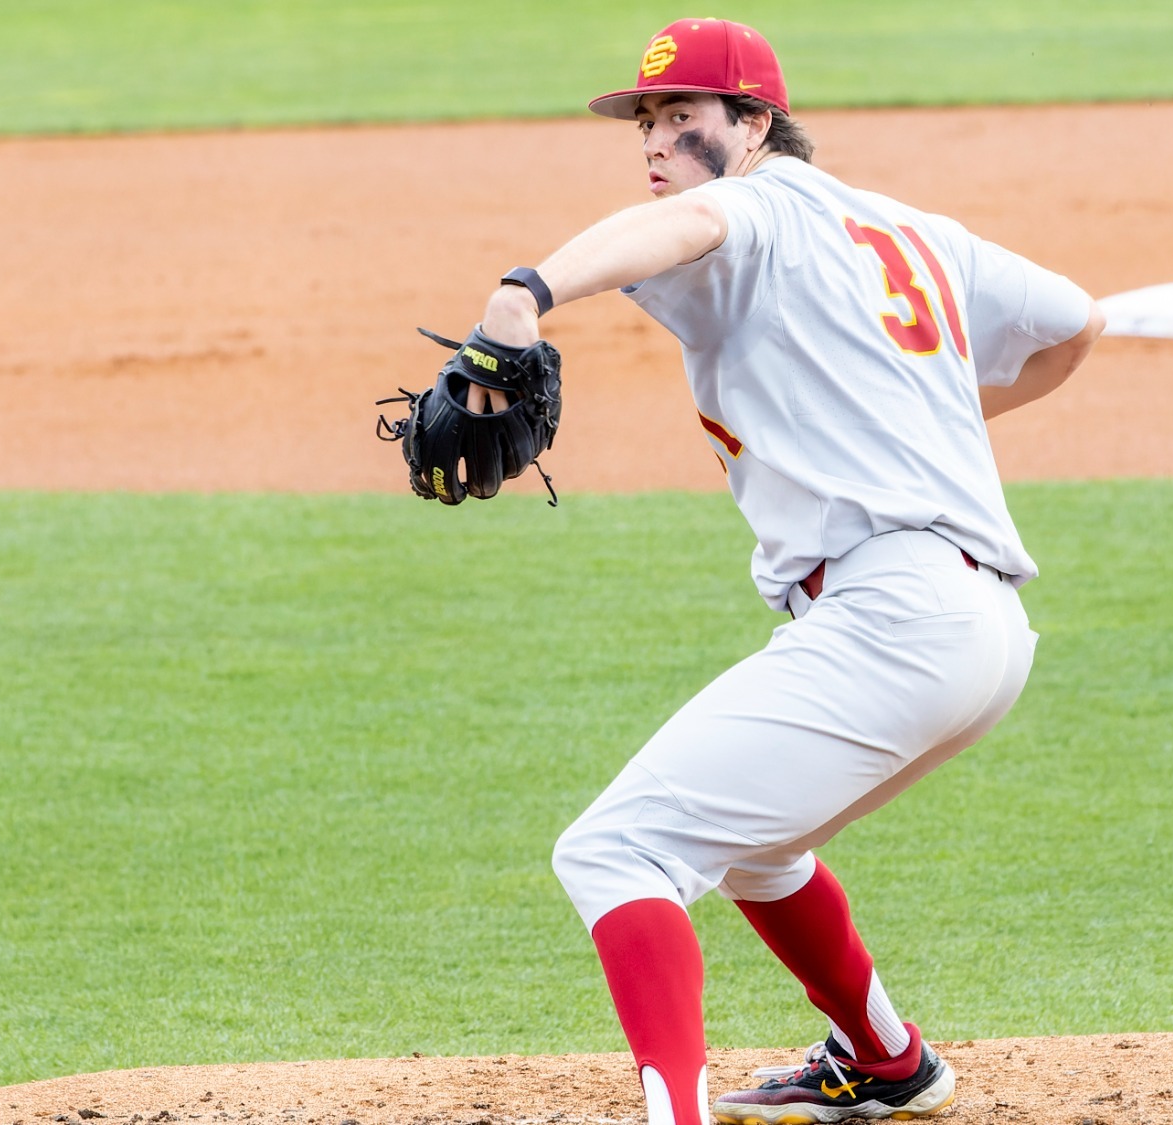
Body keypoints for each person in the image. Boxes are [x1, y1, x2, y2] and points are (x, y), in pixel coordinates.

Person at [464, 18, 1103, 1125]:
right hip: (979, 636)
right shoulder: (908, 226)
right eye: (645, 122)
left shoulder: (753, 203)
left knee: (615, 852)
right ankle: (886, 1058)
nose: (655, 141)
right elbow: (1073, 321)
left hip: (894, 620)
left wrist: (524, 292)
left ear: (755, 124)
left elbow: (691, 224)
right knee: (762, 849)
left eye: (682, 118)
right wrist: (930, 420)